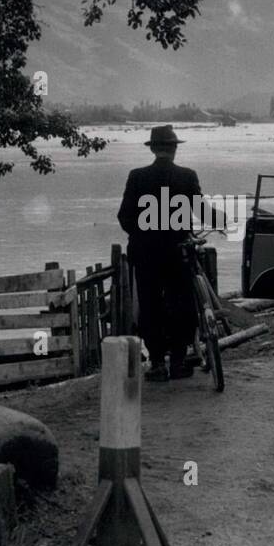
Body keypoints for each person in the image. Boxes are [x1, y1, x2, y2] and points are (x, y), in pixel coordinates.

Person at [117, 125, 203, 380]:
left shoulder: (137, 176)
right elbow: (200, 210)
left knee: (150, 305)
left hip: (146, 254)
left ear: (153, 149)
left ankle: (156, 363)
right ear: (174, 149)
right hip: (178, 252)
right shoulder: (187, 176)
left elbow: (124, 217)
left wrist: (143, 235)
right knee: (182, 304)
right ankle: (177, 362)